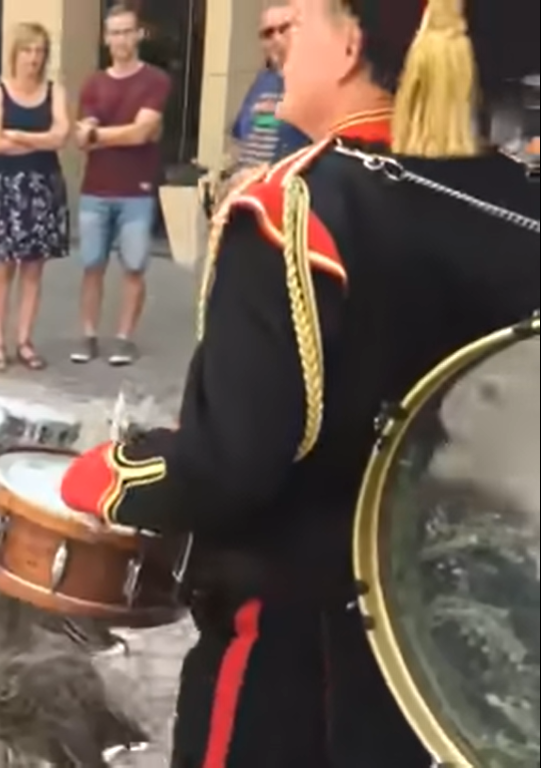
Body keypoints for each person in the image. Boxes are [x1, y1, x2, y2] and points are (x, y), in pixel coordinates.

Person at [58, 1, 540, 766]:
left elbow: (229, 465)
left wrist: (105, 476)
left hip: (296, 656)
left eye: (299, 21)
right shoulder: (521, 199)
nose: (277, 36)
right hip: (462, 663)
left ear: (349, 43)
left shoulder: (297, 208)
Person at [70, 3, 171, 367]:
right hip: (96, 190)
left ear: (139, 34)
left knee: (133, 267)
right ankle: (88, 335)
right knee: (91, 266)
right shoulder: (94, 83)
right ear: (105, 37)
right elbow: (82, 139)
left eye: (127, 31)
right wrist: (110, 134)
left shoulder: (155, 80)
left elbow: (142, 132)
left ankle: (125, 338)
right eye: (114, 32)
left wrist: (99, 133)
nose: (120, 39)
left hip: (136, 191)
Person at [0, 22, 70, 373]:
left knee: (33, 271)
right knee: (3, 270)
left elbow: (61, 136)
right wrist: (38, 138)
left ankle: (25, 341)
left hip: (43, 188)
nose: (33, 58)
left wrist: (20, 136)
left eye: (40, 51)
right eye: (27, 51)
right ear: (15, 53)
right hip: (3, 188)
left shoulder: (54, 91)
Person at [228, 5, 309, 176]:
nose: (276, 39)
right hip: (251, 188)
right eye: (268, 33)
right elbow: (244, 135)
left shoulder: (318, 81)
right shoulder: (263, 80)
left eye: (284, 29)